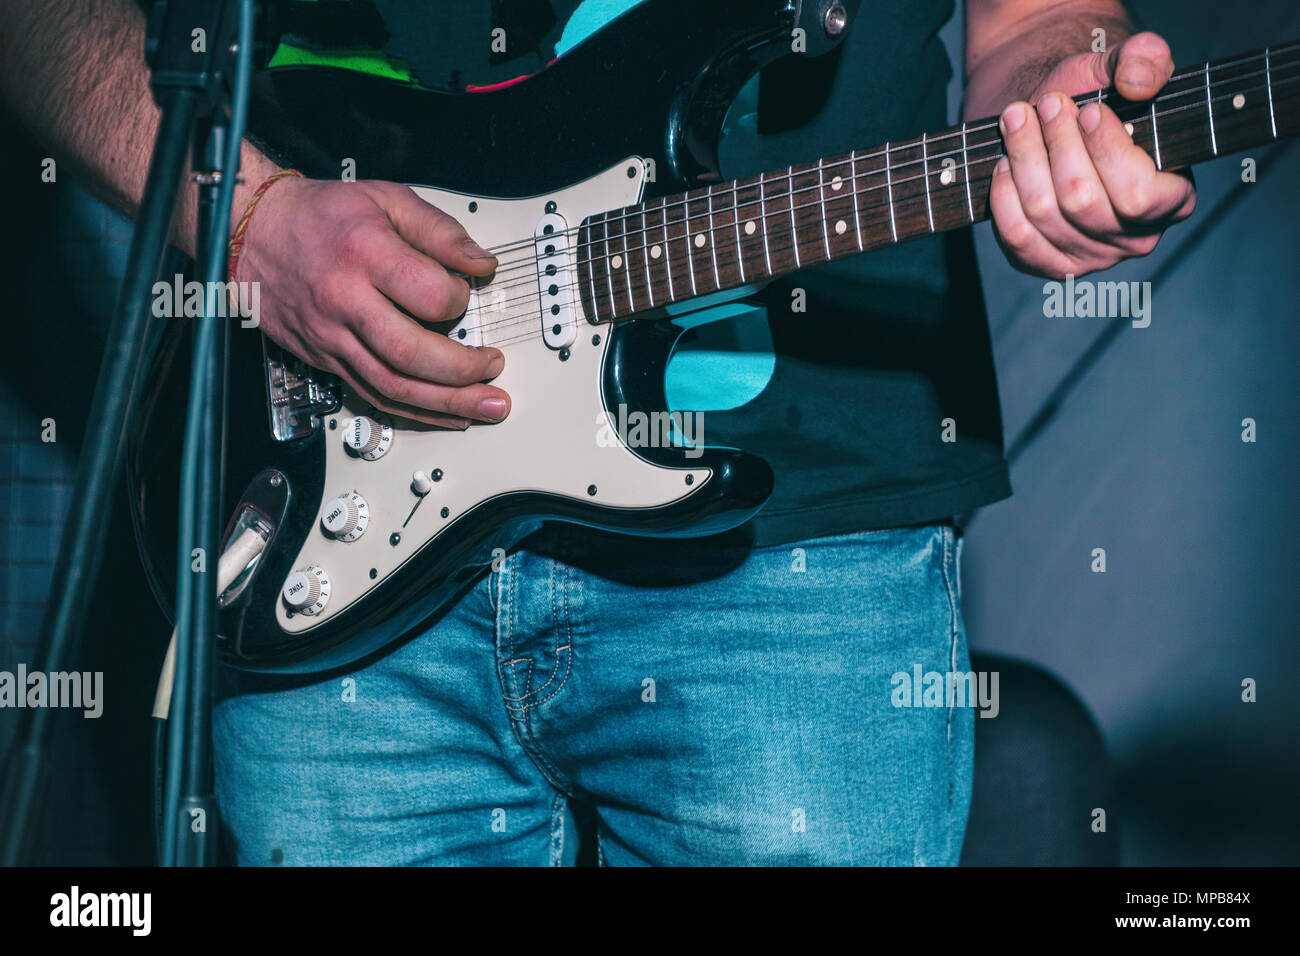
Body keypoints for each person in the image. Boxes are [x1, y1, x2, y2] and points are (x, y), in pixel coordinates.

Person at [0, 0, 1194, 865]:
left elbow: (1036, 23)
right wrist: (249, 221)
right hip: (323, 506)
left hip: (793, 532)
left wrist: (1057, 95)